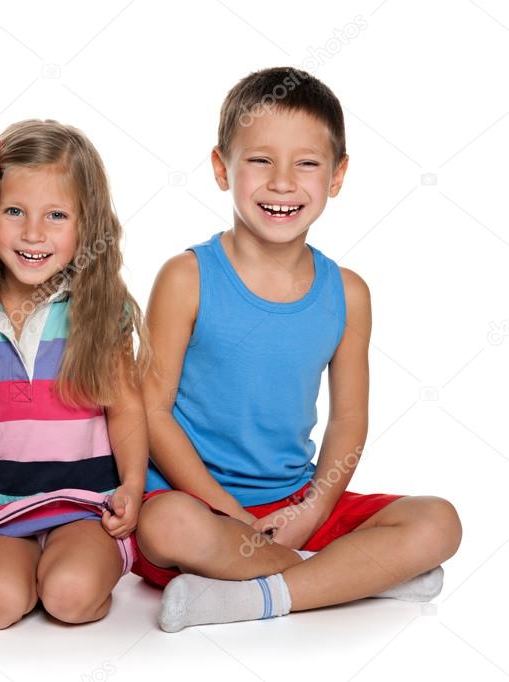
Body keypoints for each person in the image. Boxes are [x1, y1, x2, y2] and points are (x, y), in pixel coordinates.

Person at [134, 67, 462, 632]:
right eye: (260, 160)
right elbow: (151, 411)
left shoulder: (348, 292)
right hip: (198, 507)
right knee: (167, 528)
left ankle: (264, 593)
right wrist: (226, 511)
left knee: (440, 522)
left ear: (336, 176)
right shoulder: (186, 277)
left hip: (296, 506)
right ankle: (349, 578)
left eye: (307, 163)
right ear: (221, 168)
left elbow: (349, 420)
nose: (283, 182)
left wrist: (313, 509)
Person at [0, 120, 150, 629]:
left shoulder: (99, 309)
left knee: (69, 597)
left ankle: (65, 569)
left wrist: (132, 487)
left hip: (84, 505)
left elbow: (126, 407)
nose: (33, 233)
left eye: (56, 215)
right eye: (14, 212)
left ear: (85, 224)